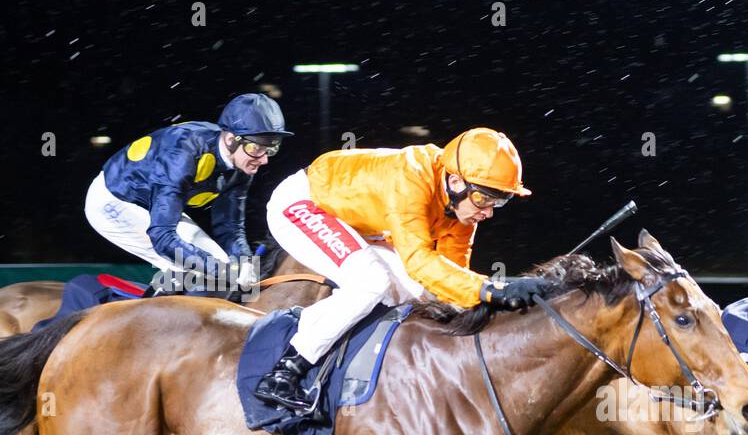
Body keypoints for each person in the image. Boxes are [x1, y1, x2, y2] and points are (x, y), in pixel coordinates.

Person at [254, 127, 541, 413]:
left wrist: (495, 298)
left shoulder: (463, 212)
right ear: (455, 182)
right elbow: (419, 261)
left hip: (357, 225)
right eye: (483, 199)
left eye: (498, 201)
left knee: (423, 292)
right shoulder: (411, 178)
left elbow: (448, 279)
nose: (487, 211)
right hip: (303, 203)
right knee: (371, 282)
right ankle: (285, 371)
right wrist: (490, 289)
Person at [86, 93, 291, 294]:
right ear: (230, 139)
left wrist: (245, 262)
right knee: (190, 269)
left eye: (271, 150)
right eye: (256, 147)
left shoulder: (242, 164)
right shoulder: (182, 153)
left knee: (223, 268)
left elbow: (229, 227)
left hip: (150, 204)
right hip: (113, 201)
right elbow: (162, 237)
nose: (264, 160)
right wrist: (223, 272)